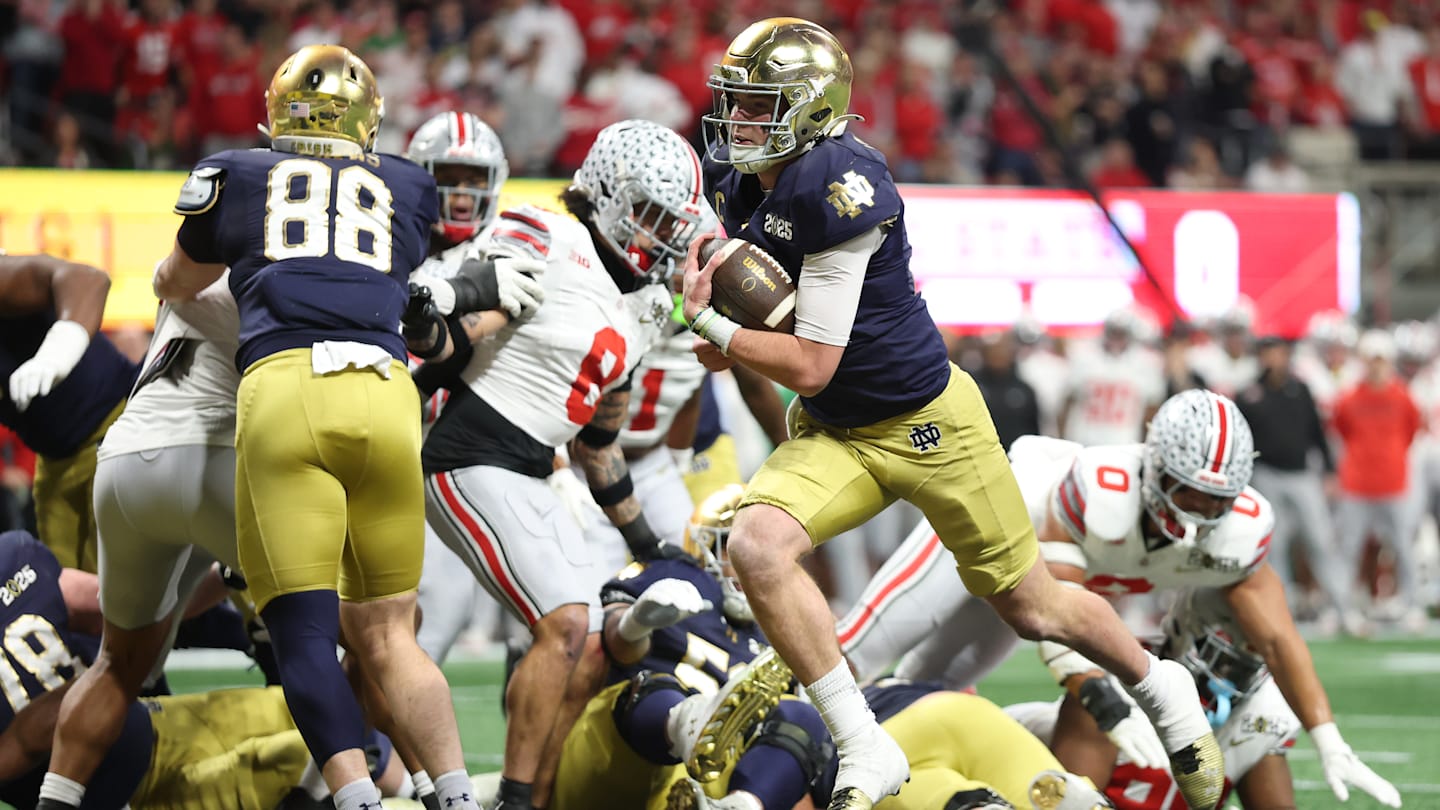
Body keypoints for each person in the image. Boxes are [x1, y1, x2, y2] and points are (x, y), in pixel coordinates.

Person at [680, 17, 1224, 810]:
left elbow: (811, 362)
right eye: (735, 103)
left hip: (928, 423)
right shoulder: (740, 181)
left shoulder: (840, 183)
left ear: (811, 107)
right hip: (838, 432)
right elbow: (774, 343)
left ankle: (1160, 685)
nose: (739, 122)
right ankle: (863, 743)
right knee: (758, 547)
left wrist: (713, 325)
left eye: (759, 106)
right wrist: (727, 337)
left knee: (1033, 606)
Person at [91, 44, 476, 810]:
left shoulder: (235, 173)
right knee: (391, 635)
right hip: (386, 390)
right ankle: (458, 794)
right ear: (366, 121)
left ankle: (356, 797)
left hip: (288, 388)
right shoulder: (410, 183)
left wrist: (180, 279)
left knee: (303, 630)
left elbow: (178, 280)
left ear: (278, 113)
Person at [836, 390, 1401, 808]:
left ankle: (858, 778)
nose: (1202, 514)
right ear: (1156, 469)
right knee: (859, 649)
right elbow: (1048, 609)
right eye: (1189, 494)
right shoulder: (1103, 494)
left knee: (928, 687)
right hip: (994, 525)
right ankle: (793, 745)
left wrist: (1327, 736)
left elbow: (1277, 639)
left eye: (1217, 500)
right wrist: (1102, 697)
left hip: (1045, 594)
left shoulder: (1238, 530)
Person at [419, 119, 708, 810]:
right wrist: (428, 323)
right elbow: (450, 335)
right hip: (468, 454)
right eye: (649, 214)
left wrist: (649, 544)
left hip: (535, 473)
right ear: (607, 194)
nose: (661, 235)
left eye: (670, 222)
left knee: (594, 642)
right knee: (563, 623)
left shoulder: (646, 304)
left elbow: (597, 446)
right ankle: (511, 800)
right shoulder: (546, 235)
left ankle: (538, 796)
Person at [44, 272, 247, 805]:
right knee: (365, 628)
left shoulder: (192, 265)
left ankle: (56, 797)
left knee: (118, 660)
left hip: (127, 458)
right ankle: (358, 782)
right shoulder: (280, 267)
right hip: (218, 457)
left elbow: (166, 277)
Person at [551, 484, 835, 810]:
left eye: (773, 552)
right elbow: (611, 647)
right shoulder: (677, 576)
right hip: (622, 769)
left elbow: (797, 768)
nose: (755, 562)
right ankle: (686, 722)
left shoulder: (785, 630)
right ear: (706, 547)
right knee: (646, 687)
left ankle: (741, 805)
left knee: (802, 717)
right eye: (736, 547)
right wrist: (635, 623)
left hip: (710, 788)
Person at [0, 528, 312, 810]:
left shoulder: (12, 558)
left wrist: (223, 576)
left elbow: (132, 611)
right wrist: (103, 682)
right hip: (110, 795)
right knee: (302, 766)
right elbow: (20, 748)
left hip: (153, 726)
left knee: (307, 713)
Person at [1007, 587, 1305, 810]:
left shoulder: (1262, 711)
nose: (1230, 680)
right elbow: (1068, 805)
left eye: (1246, 669)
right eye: (1224, 663)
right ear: (1183, 635)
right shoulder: (1113, 690)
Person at [0, 252, 137, 573]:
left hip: (117, 434)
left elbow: (88, 279)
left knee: (130, 588)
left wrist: (58, 351)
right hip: (55, 462)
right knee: (63, 591)